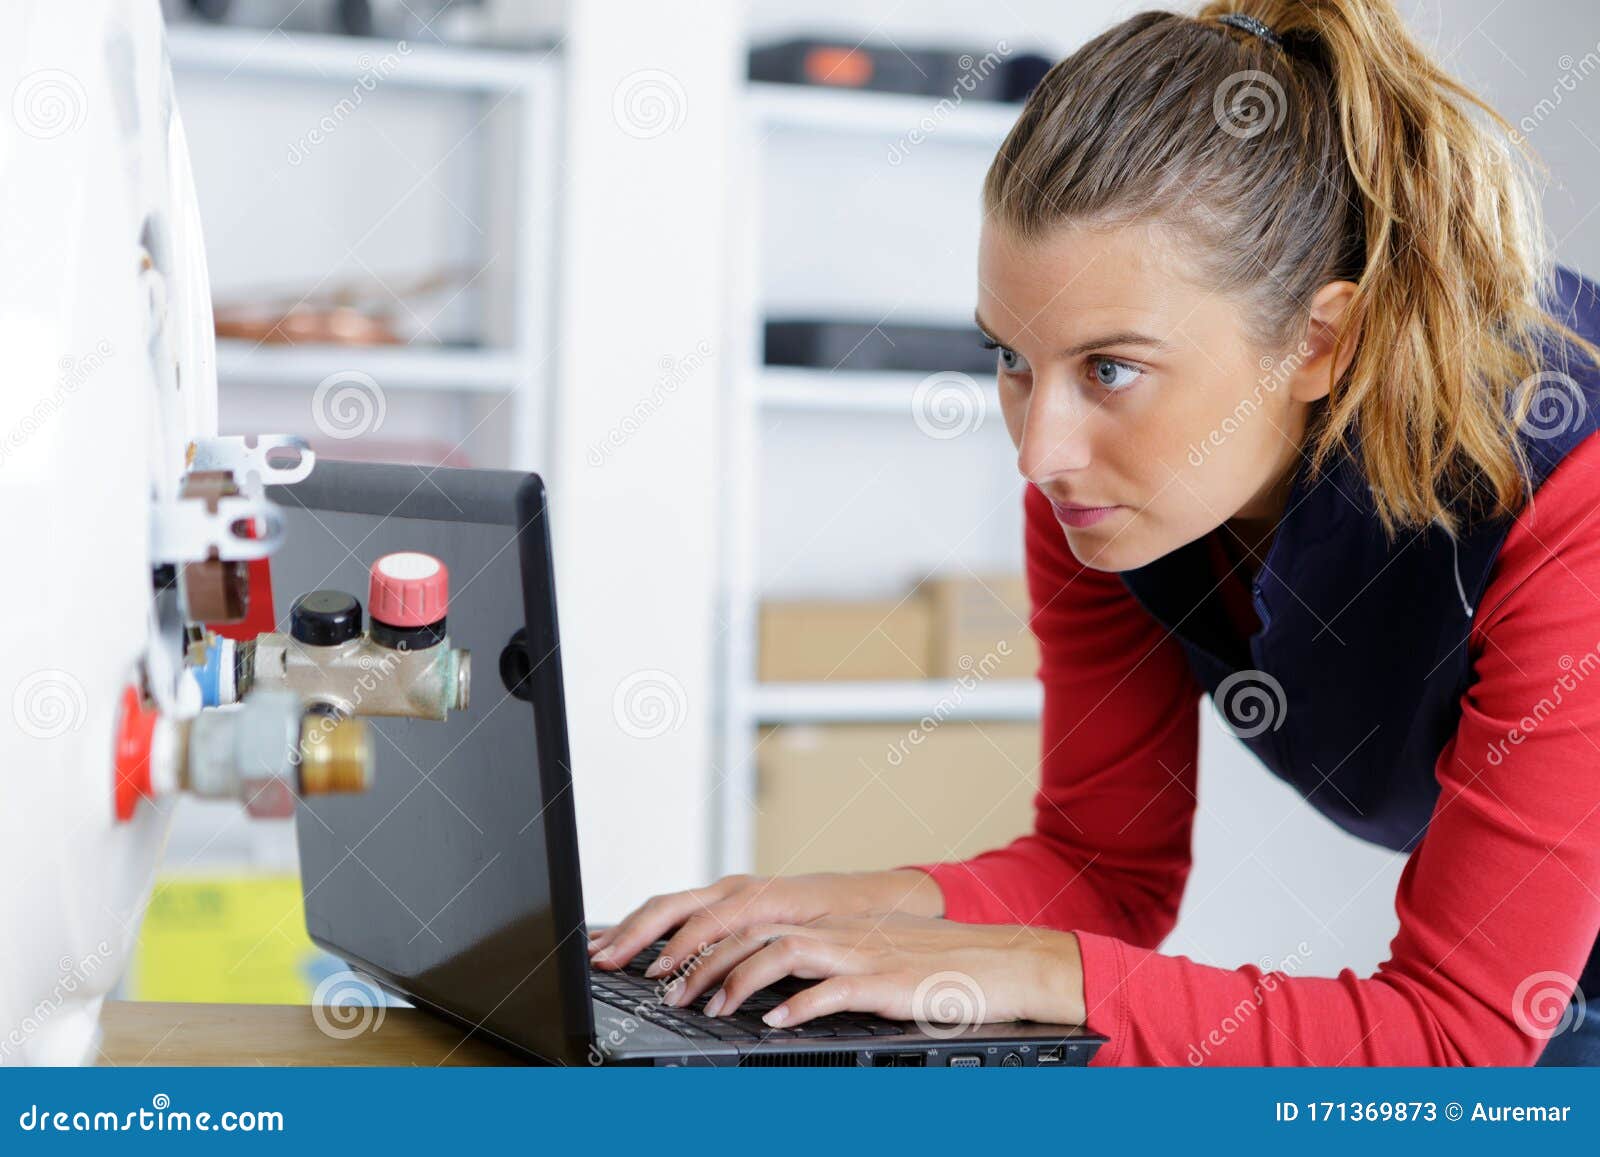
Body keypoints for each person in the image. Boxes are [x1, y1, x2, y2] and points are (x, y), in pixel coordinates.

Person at [594, 0, 1600, 1065]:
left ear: (1319, 340)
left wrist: (1032, 970)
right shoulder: (1097, 490)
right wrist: (831, 913)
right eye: (1013, 358)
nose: (1038, 452)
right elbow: (1104, 869)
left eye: (1108, 369)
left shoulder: (1568, 490)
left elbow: (1453, 1041)